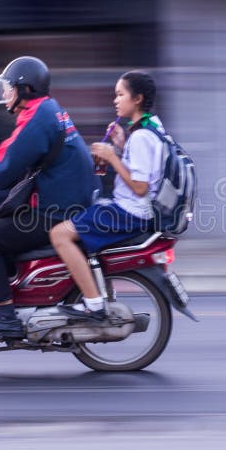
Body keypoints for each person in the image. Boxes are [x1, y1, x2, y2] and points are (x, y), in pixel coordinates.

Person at [0, 56, 97, 339]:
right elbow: (6, 152)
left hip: (56, 211)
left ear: (25, 89)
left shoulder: (38, 120)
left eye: (8, 87)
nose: (4, 93)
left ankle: (5, 317)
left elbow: (7, 167)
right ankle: (12, 295)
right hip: (63, 203)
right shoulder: (46, 111)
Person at [50, 70, 163, 320]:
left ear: (137, 98)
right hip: (132, 209)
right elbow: (144, 170)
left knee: (58, 234)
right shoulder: (151, 127)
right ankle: (100, 291)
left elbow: (141, 187)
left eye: (120, 94)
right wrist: (122, 146)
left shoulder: (142, 137)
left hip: (129, 212)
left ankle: (93, 303)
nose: (115, 100)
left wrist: (112, 157)